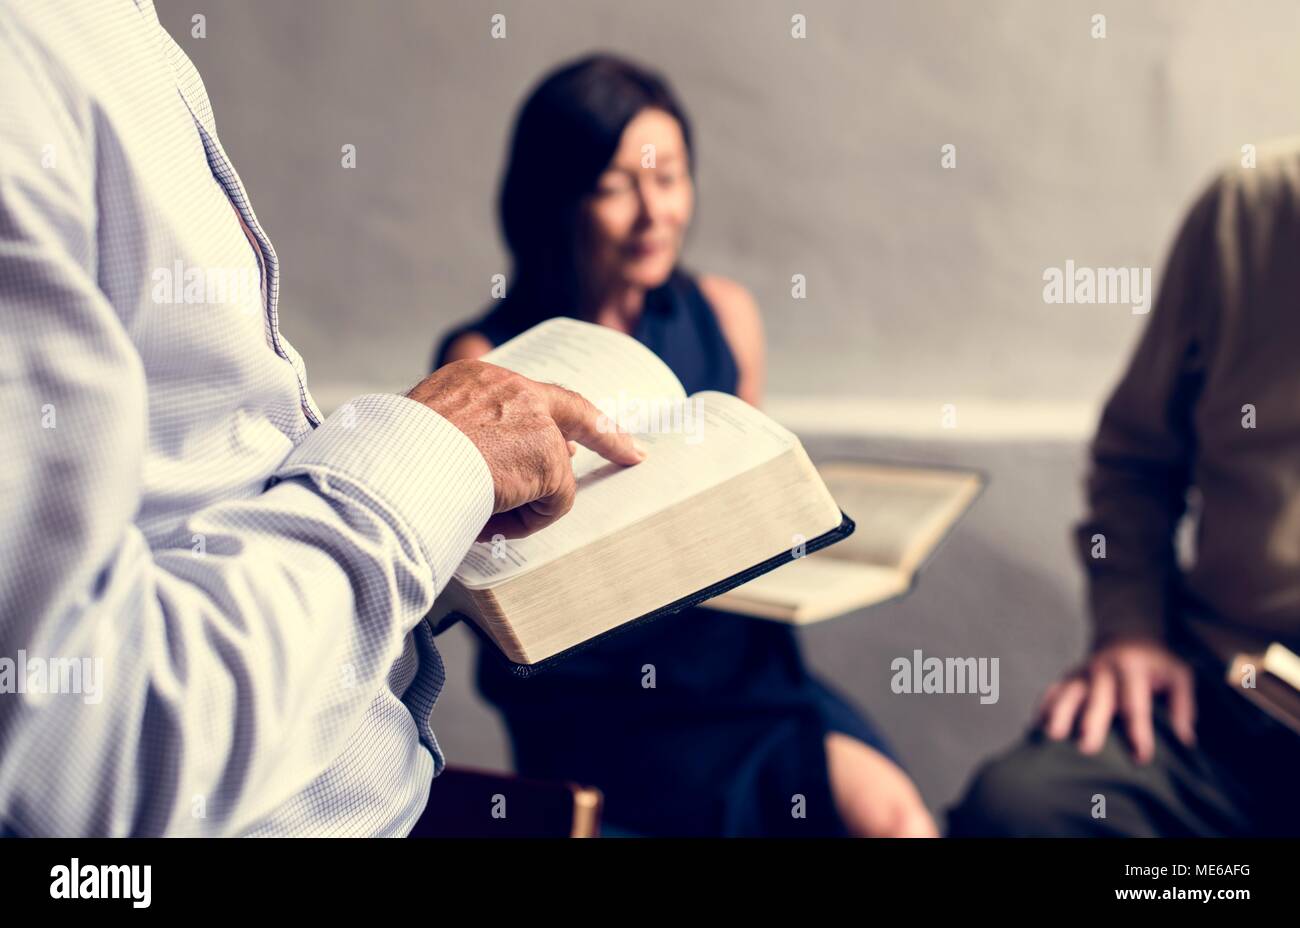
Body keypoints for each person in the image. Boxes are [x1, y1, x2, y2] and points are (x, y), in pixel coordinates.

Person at [0, 0, 642, 837]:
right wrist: (434, 461)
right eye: (618, 182)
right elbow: (79, 755)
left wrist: (422, 523)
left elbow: (188, 491)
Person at [435, 54, 936, 837]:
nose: (653, 213)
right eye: (614, 186)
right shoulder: (484, 362)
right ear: (554, 198)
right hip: (598, 697)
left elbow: (742, 492)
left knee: (895, 818)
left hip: (740, 672)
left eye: (667, 177)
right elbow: (489, 571)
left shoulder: (725, 314)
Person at [949, 146, 1300, 837]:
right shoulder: (1249, 213)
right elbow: (1135, 463)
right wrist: (1131, 630)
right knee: (1020, 812)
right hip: (1230, 692)